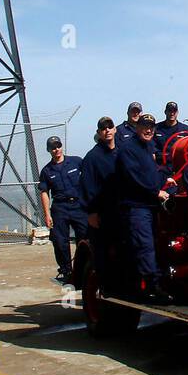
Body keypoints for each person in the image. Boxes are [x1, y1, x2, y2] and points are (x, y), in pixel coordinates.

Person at [114, 113, 177, 305]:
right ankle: (151, 288)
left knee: (158, 244)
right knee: (145, 246)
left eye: (151, 127)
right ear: (137, 128)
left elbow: (151, 173)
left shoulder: (147, 147)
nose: (149, 130)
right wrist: (156, 191)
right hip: (136, 207)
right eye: (144, 126)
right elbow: (135, 178)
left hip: (149, 205)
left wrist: (165, 179)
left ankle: (164, 280)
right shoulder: (128, 150)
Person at [37, 135, 86, 284]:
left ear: (61, 146)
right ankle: (66, 271)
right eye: (53, 147)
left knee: (85, 238)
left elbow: (89, 177)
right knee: (59, 241)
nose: (56, 149)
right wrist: (47, 215)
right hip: (60, 208)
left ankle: (83, 268)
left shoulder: (76, 161)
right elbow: (44, 193)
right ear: (49, 150)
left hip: (79, 205)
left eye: (58, 146)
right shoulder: (46, 171)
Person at [79, 116, 119, 279]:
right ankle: (103, 288)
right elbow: (87, 187)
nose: (107, 130)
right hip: (103, 214)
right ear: (99, 133)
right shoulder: (92, 158)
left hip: (123, 211)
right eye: (103, 128)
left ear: (115, 129)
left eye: (110, 126)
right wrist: (92, 213)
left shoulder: (124, 153)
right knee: (103, 253)